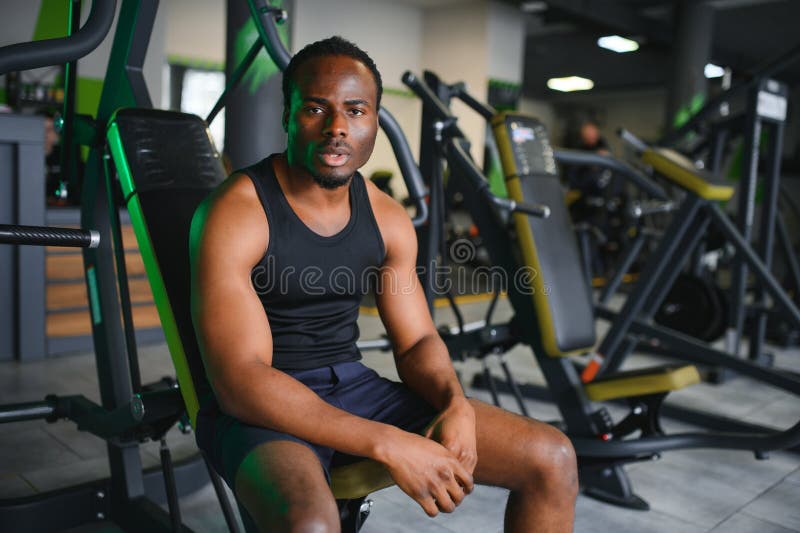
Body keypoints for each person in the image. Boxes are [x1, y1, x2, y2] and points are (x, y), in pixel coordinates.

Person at [190, 36, 578, 532]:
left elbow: (416, 340)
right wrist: (388, 441)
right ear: (287, 117)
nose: (337, 128)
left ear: (374, 121)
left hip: (354, 389)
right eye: (315, 109)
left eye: (355, 110)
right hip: (258, 409)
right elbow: (242, 381)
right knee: (310, 524)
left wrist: (454, 403)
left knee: (552, 458)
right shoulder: (237, 211)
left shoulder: (386, 217)